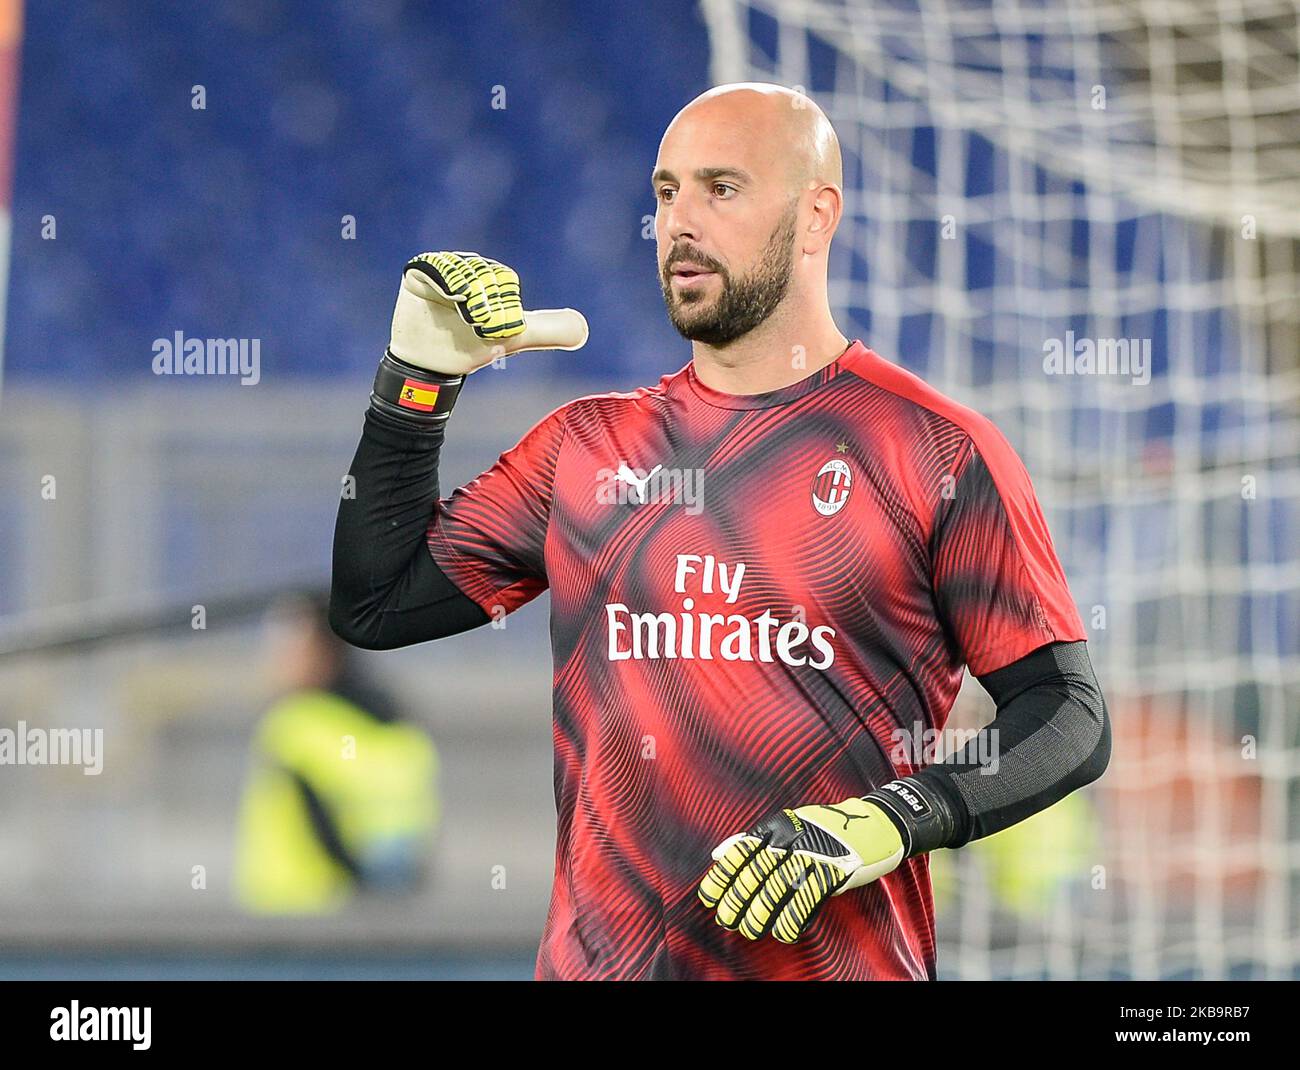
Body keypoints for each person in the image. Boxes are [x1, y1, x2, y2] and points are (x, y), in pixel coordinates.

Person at [330, 82, 1109, 979]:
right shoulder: (584, 447)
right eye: (666, 193)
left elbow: (1067, 714)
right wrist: (414, 387)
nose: (679, 223)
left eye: (721, 189)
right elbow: (375, 604)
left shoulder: (933, 450)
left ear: (816, 216)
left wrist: (894, 818)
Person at [234, 592, 439, 914]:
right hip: (382, 927)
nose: (272, 661)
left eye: (286, 647)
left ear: (321, 653)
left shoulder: (293, 727)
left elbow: (327, 836)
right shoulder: (401, 730)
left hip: (291, 921)